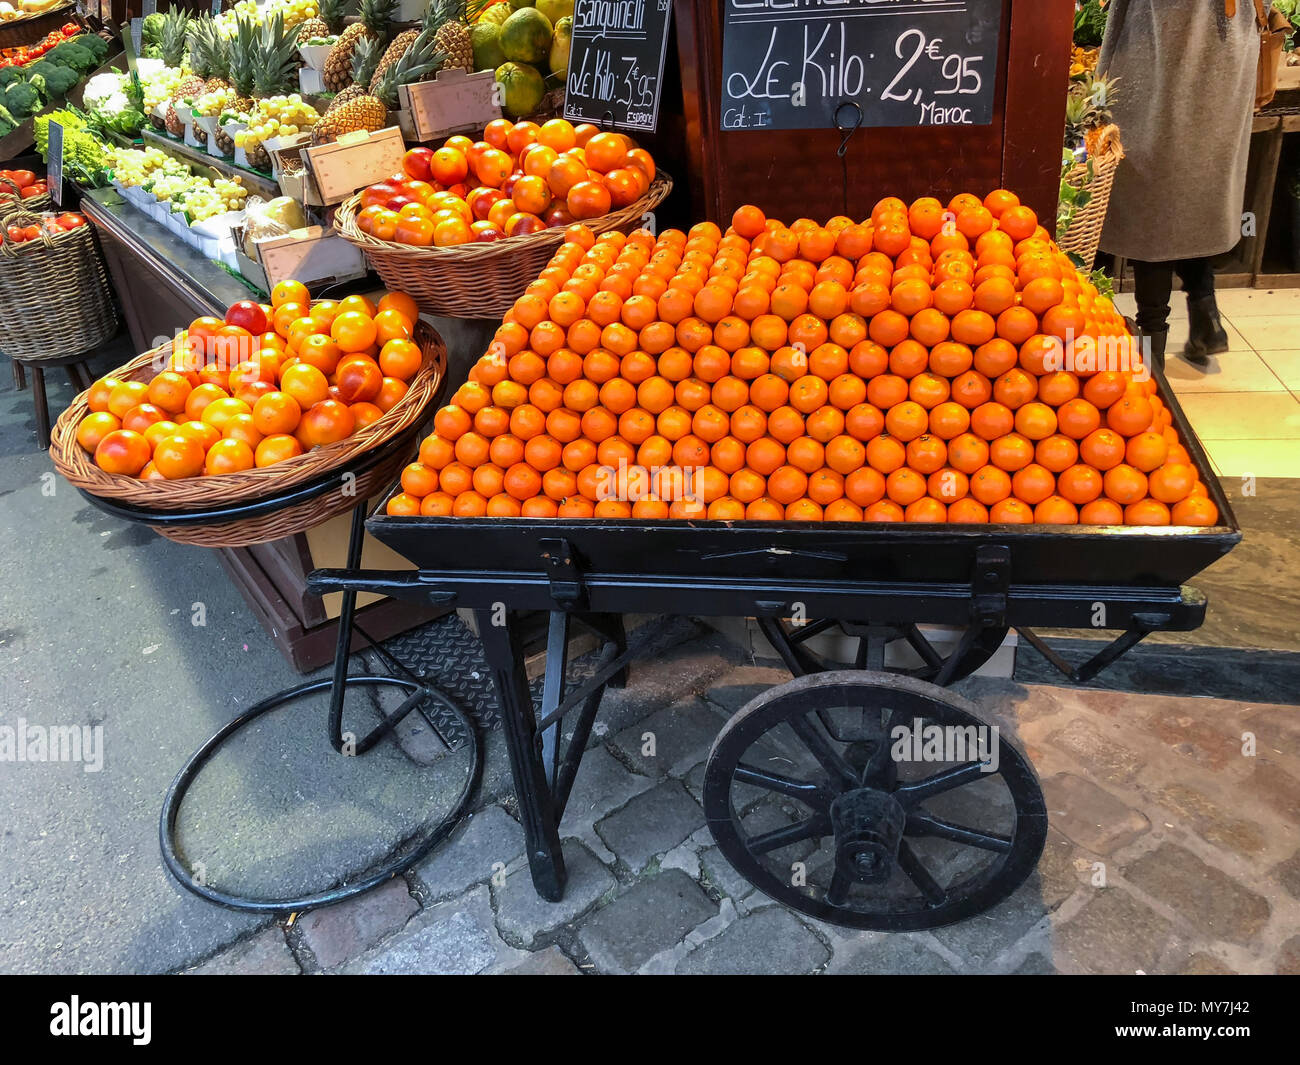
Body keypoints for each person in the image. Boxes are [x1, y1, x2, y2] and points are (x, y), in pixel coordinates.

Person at [1096, 0, 1264, 367]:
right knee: (1194, 185)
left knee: (1152, 196)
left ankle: (1151, 355)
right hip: (1224, 45)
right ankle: (1206, 317)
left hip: (1165, 37)